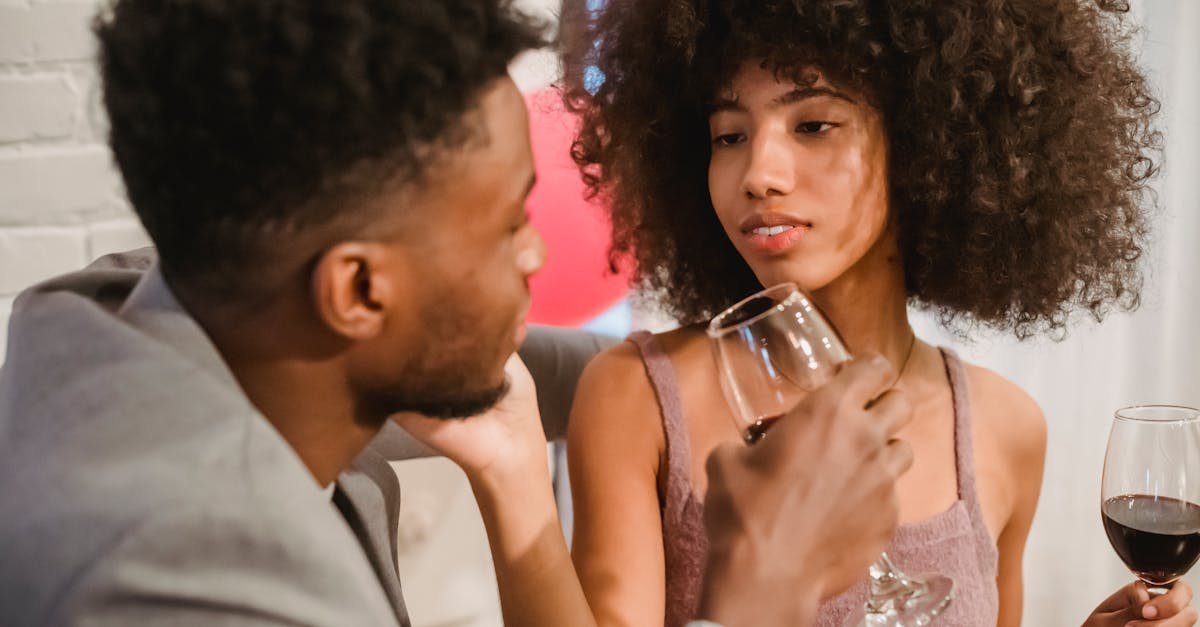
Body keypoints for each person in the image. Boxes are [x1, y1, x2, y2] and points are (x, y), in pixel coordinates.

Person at [0, 1, 914, 625]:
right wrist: (763, 588)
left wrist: (681, 376)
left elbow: (548, 362)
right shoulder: (184, 582)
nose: (537, 253)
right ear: (359, 290)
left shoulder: (130, 314)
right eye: (507, 222)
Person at [559, 0, 1194, 625]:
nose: (759, 173)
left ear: (926, 145)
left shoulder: (1008, 429)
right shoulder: (636, 397)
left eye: (812, 125)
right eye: (729, 135)